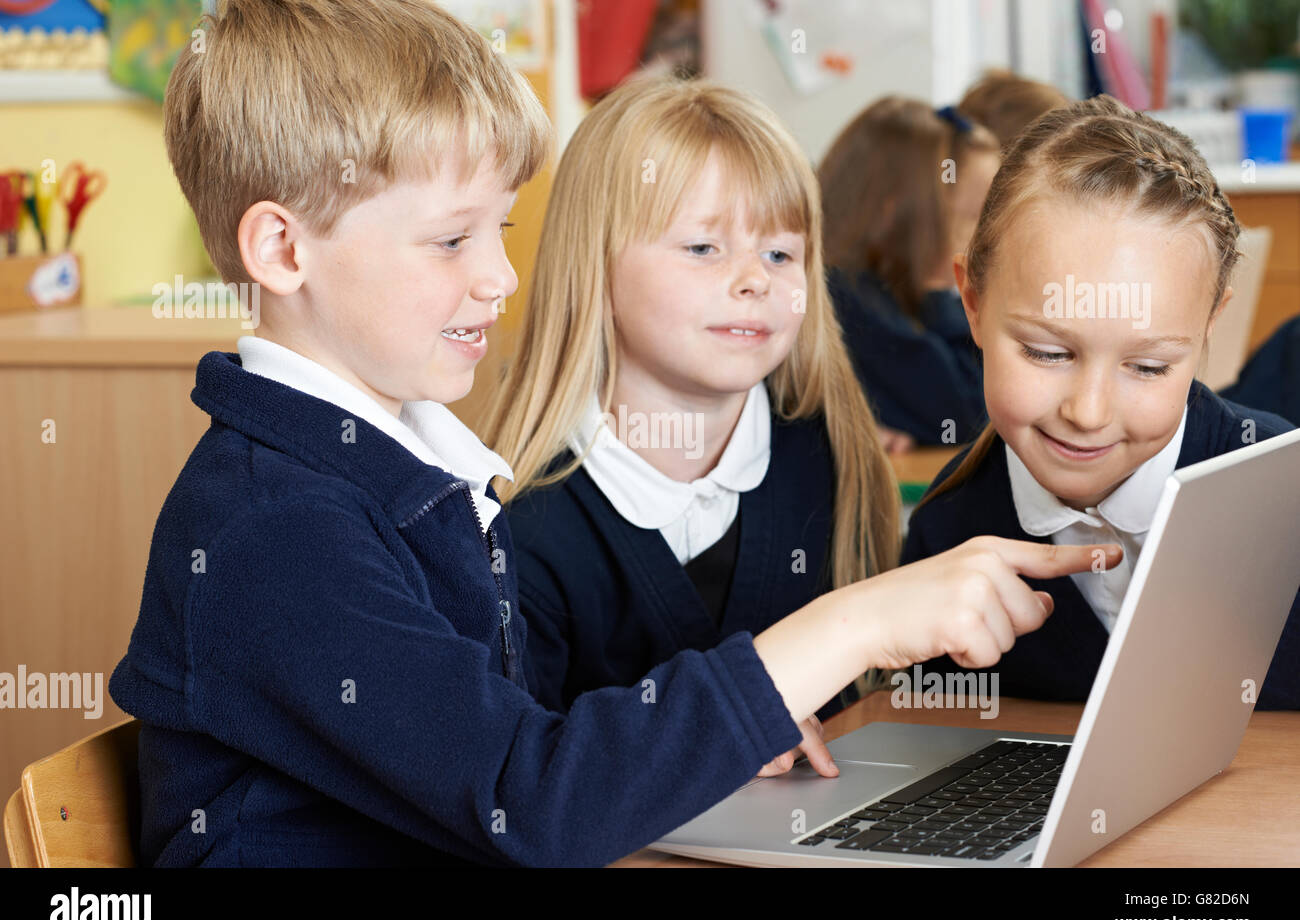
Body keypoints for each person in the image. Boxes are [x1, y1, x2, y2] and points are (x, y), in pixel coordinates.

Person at [109, 0, 1118, 867]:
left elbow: (517, 750)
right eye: (451, 239)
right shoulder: (276, 528)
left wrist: (706, 739)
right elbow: (531, 798)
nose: (500, 278)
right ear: (283, 248)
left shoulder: (397, 473)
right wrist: (852, 624)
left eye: (498, 232)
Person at [483, 76, 897, 728]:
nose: (755, 278)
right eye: (703, 247)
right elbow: (528, 783)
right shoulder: (524, 523)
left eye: (780, 252)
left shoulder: (825, 450)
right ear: (595, 266)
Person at [902, 95, 1300, 710]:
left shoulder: (1283, 496)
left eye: (1147, 366)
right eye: (1046, 353)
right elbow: (934, 729)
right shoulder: (945, 530)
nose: (1087, 413)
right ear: (973, 303)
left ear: (1208, 327)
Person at [819, 97, 999, 448]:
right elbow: (975, 413)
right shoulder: (848, 297)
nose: (989, 236)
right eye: (972, 217)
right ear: (891, 214)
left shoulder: (887, 294)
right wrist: (942, 296)